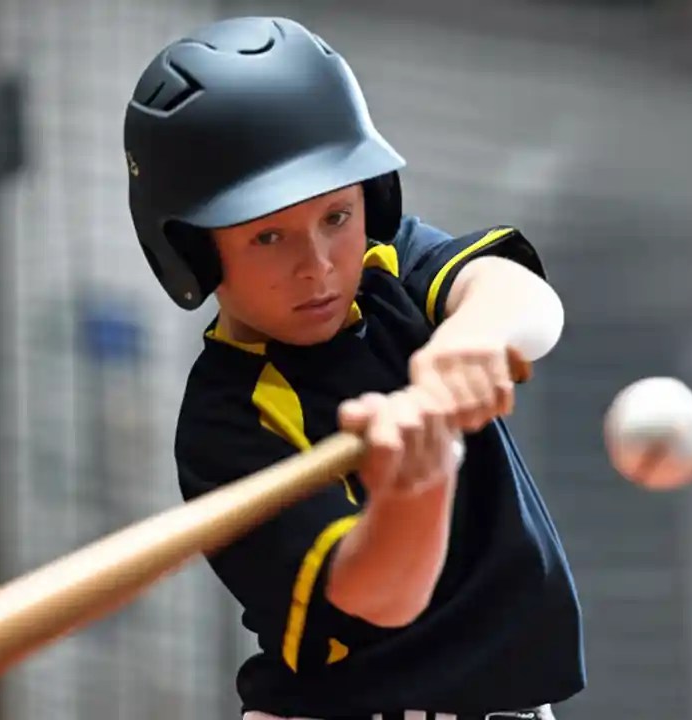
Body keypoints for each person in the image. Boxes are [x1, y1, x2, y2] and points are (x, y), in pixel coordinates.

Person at [124, 16, 584, 720]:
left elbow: (530, 304)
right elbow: (379, 597)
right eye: (268, 235)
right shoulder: (228, 419)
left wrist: (471, 340)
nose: (317, 265)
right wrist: (415, 489)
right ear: (191, 253)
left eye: (336, 216)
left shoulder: (386, 265)